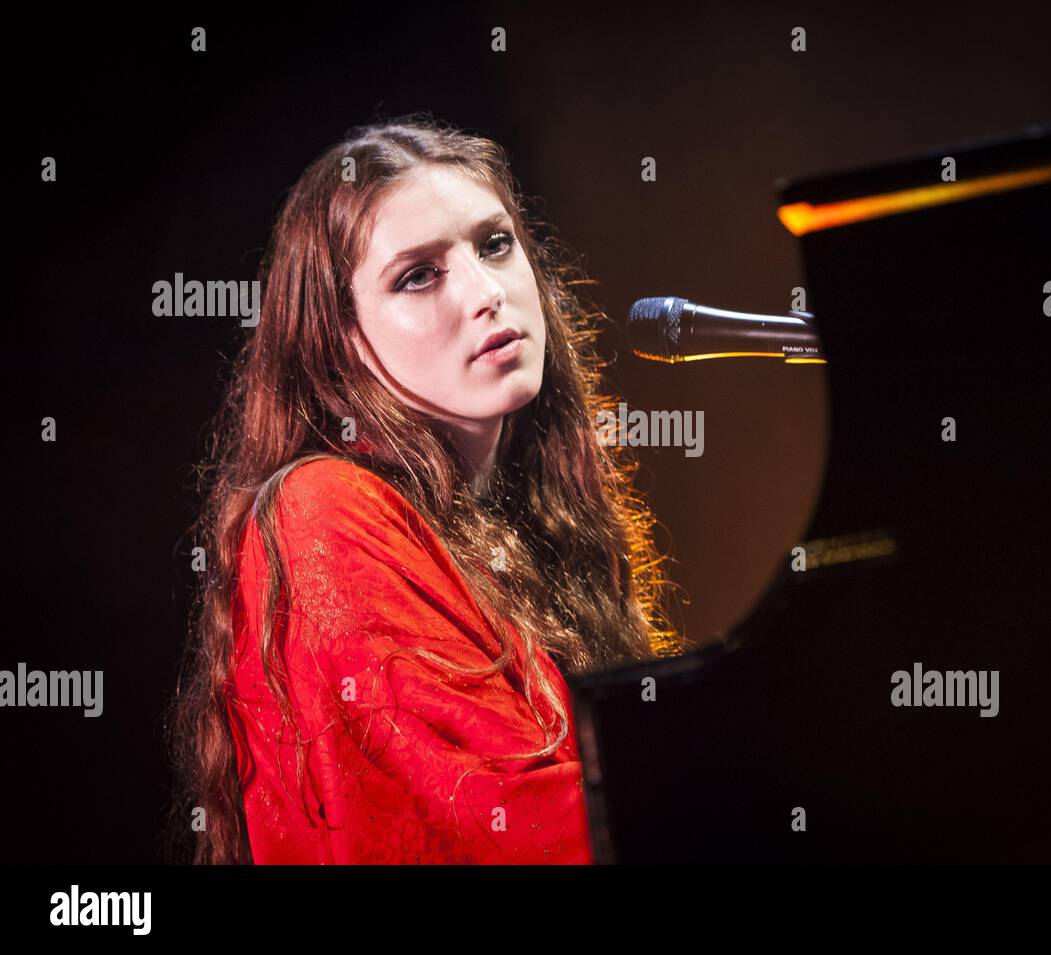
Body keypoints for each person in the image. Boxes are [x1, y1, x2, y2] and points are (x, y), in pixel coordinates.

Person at [167, 117, 685, 864]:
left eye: (495, 244)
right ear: (338, 340)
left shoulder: (522, 514)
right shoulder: (321, 509)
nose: (485, 293)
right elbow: (504, 817)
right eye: (418, 275)